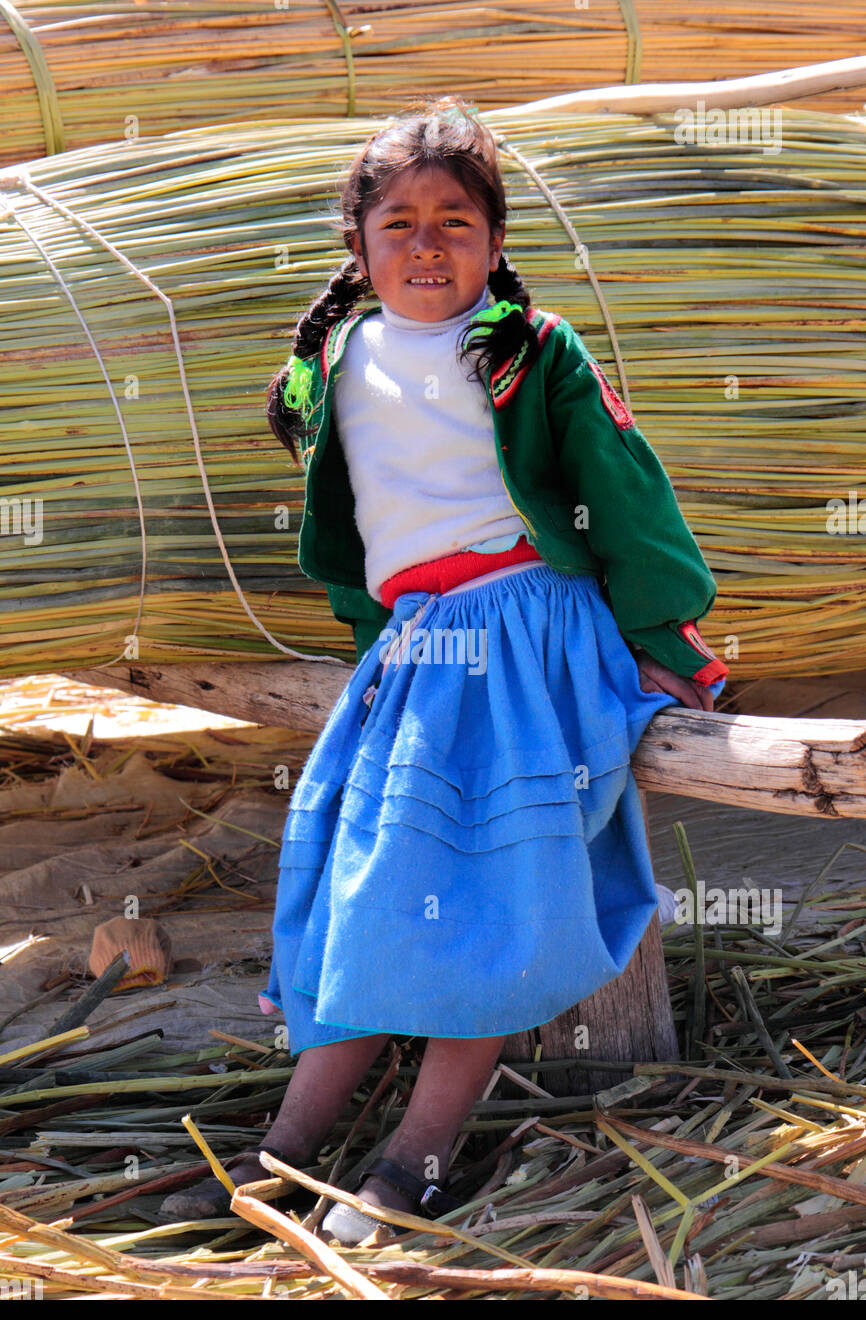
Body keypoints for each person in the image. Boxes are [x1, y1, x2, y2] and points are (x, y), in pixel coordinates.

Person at [159, 95, 728, 1242]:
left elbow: (624, 499)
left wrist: (665, 643)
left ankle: (413, 1161)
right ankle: (283, 1156)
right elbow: (354, 528)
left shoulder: (529, 354)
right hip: (418, 653)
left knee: (484, 899)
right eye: (399, 221)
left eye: (455, 221)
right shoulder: (333, 364)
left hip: (527, 643)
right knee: (363, 899)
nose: (427, 244)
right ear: (357, 245)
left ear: (496, 239)